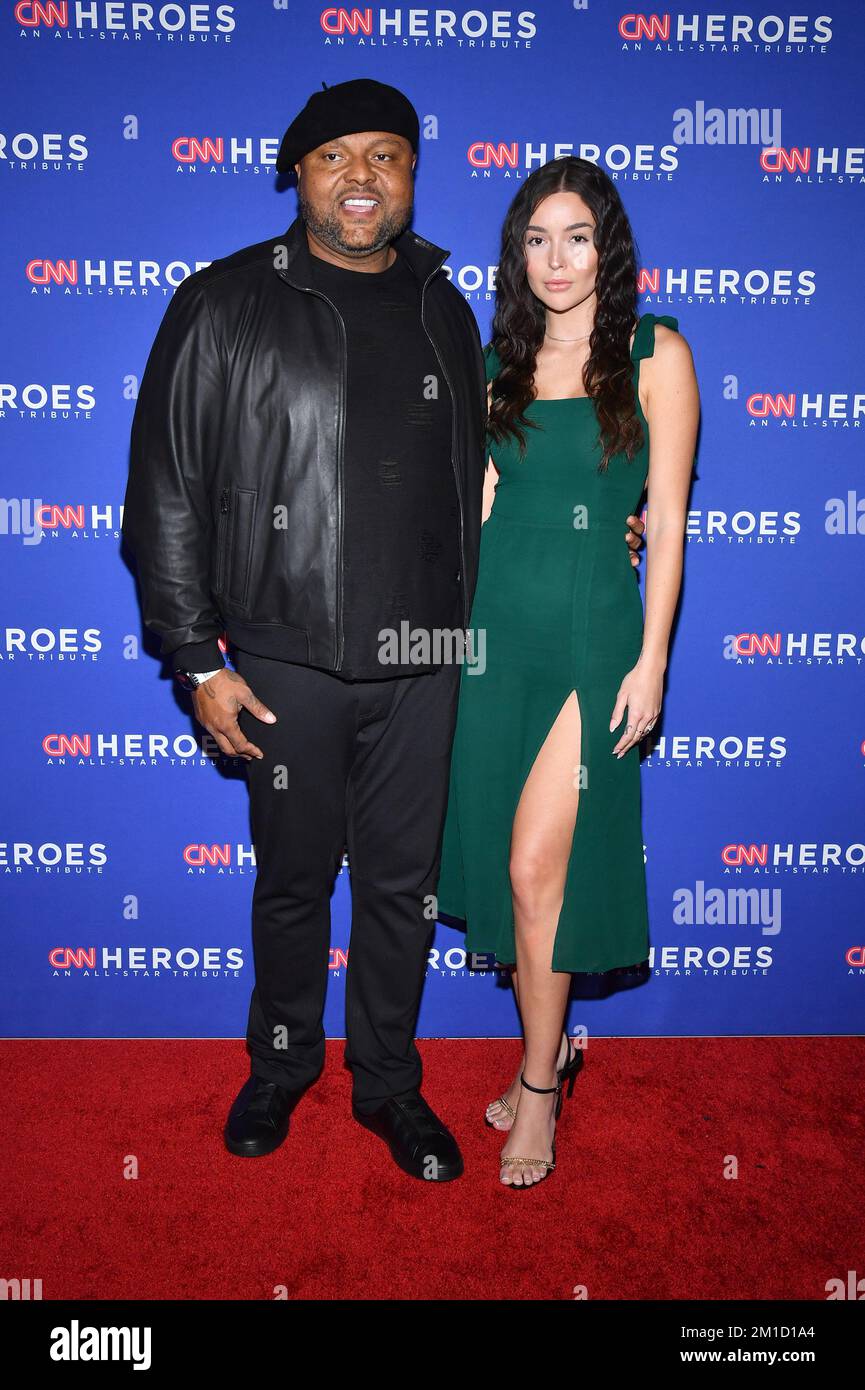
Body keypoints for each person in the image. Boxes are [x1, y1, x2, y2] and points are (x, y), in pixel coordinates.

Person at [121, 77, 648, 1184]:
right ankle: (277, 1065)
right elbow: (164, 488)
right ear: (297, 174)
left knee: (401, 888)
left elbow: (507, 469)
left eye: (386, 155)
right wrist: (193, 657)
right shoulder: (222, 301)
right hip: (279, 653)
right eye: (333, 156)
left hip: (429, 663)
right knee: (291, 881)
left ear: (412, 174)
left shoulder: (444, 307)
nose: (362, 176)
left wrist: (613, 509)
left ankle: (389, 1084)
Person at [436, 156, 700, 1188]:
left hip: (591, 635)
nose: (557, 258)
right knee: (510, 874)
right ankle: (541, 1052)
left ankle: (540, 1092)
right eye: (537, 239)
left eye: (576, 235)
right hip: (494, 636)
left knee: (541, 868)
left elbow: (669, 523)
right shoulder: (497, 364)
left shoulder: (655, 352)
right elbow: (484, 508)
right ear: (518, 254)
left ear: (607, 245)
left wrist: (654, 658)